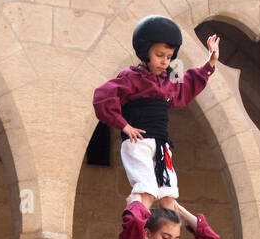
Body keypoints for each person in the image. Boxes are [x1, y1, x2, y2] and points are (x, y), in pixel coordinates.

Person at [93, 16, 219, 210]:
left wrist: (209, 63)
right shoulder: (131, 77)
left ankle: (192, 231)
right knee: (147, 192)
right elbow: (103, 96)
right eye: (159, 55)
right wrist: (124, 125)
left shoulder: (166, 82)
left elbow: (185, 87)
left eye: (169, 57)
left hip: (161, 147)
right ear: (145, 52)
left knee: (168, 197)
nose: (164, 62)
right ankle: (133, 226)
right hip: (139, 143)